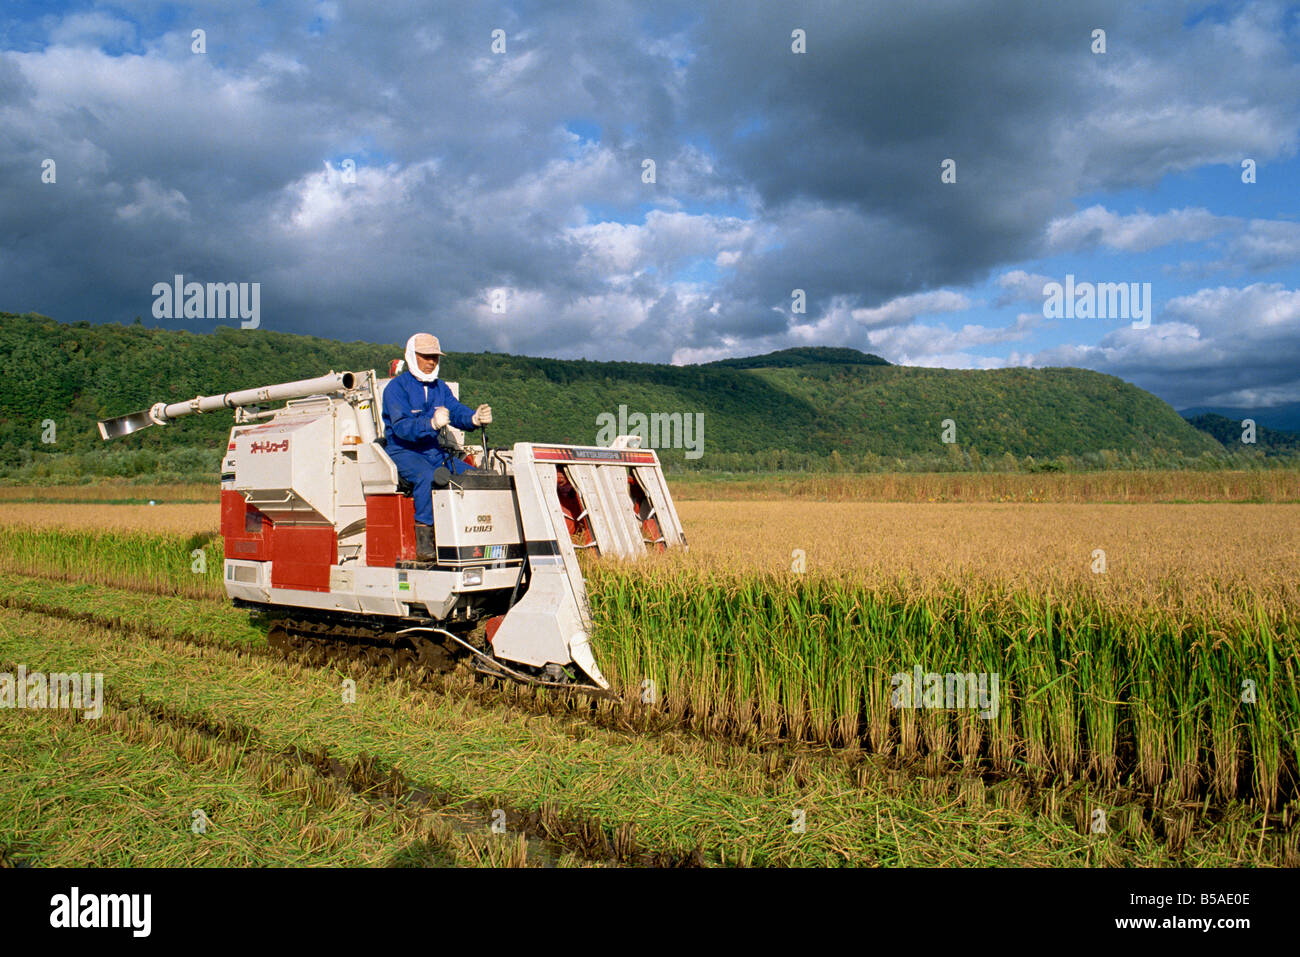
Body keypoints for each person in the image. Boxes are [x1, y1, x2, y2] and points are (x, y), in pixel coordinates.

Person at [382, 333, 493, 560]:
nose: (431, 361)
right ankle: (425, 542)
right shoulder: (396, 388)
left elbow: (456, 410)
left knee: (474, 476)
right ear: (412, 356)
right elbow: (402, 427)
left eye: (435, 357)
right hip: (403, 451)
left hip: (433, 451)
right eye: (426, 356)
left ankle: (474, 537)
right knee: (428, 476)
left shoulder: (440, 388)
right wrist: (430, 423)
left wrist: (473, 418)